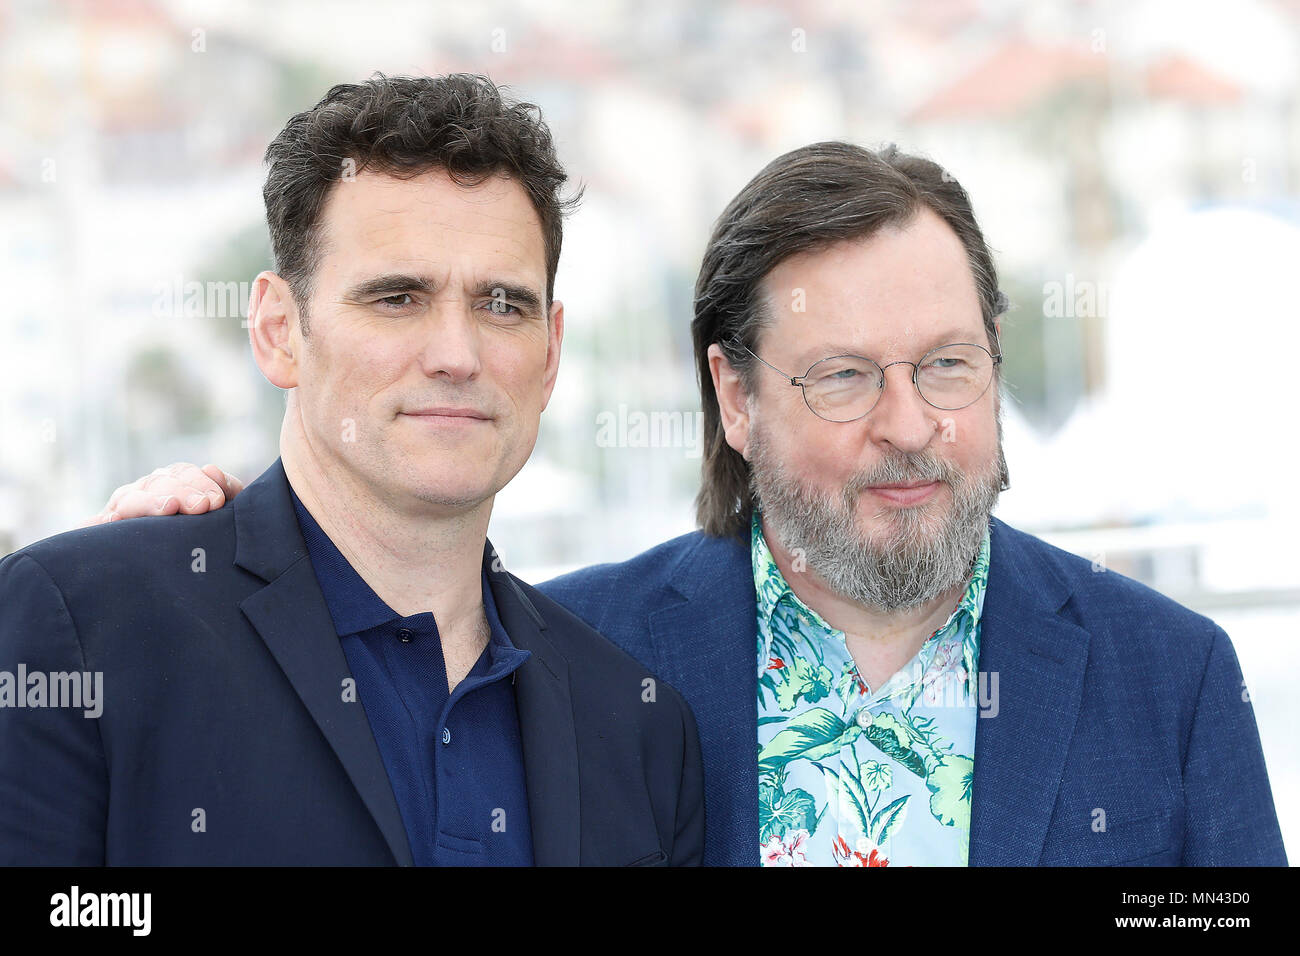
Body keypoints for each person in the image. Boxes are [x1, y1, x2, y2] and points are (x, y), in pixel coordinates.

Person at [81, 142, 1287, 867]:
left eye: (947, 364)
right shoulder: (563, 662)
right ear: (735, 397)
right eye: (844, 376)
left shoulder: (1170, 677)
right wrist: (213, 552)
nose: (910, 423)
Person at [0, 73, 704, 866]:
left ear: (551, 353)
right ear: (278, 331)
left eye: (502, 304)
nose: (456, 356)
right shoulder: (85, 630)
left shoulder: (638, 729)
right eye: (397, 297)